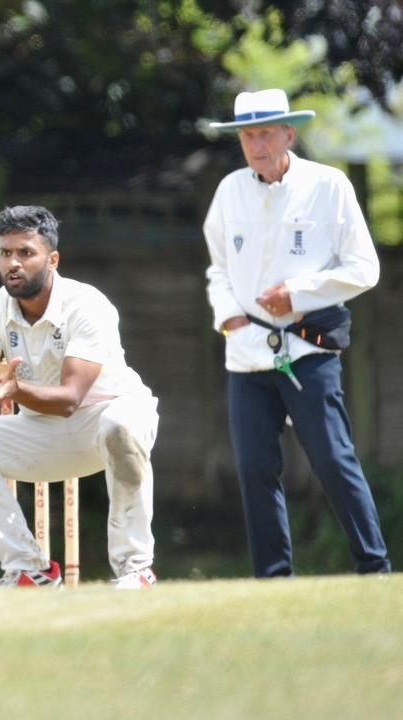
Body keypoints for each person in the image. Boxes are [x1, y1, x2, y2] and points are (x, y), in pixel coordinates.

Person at [203, 88, 391, 578]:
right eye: (247, 135)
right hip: (246, 354)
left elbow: (364, 268)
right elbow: (218, 269)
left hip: (308, 348)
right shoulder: (229, 191)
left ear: (289, 133)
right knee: (255, 469)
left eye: (267, 132)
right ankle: (272, 577)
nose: (257, 144)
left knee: (332, 459)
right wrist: (228, 315)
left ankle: (374, 567)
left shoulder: (329, 186)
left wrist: (299, 293)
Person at [0, 205, 159, 589]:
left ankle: (135, 568)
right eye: (5, 253)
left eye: (25, 253)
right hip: (45, 430)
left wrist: (16, 390)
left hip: (109, 416)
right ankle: (28, 570)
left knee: (119, 425)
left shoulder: (87, 305)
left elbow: (70, 398)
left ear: (52, 259)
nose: (12, 264)